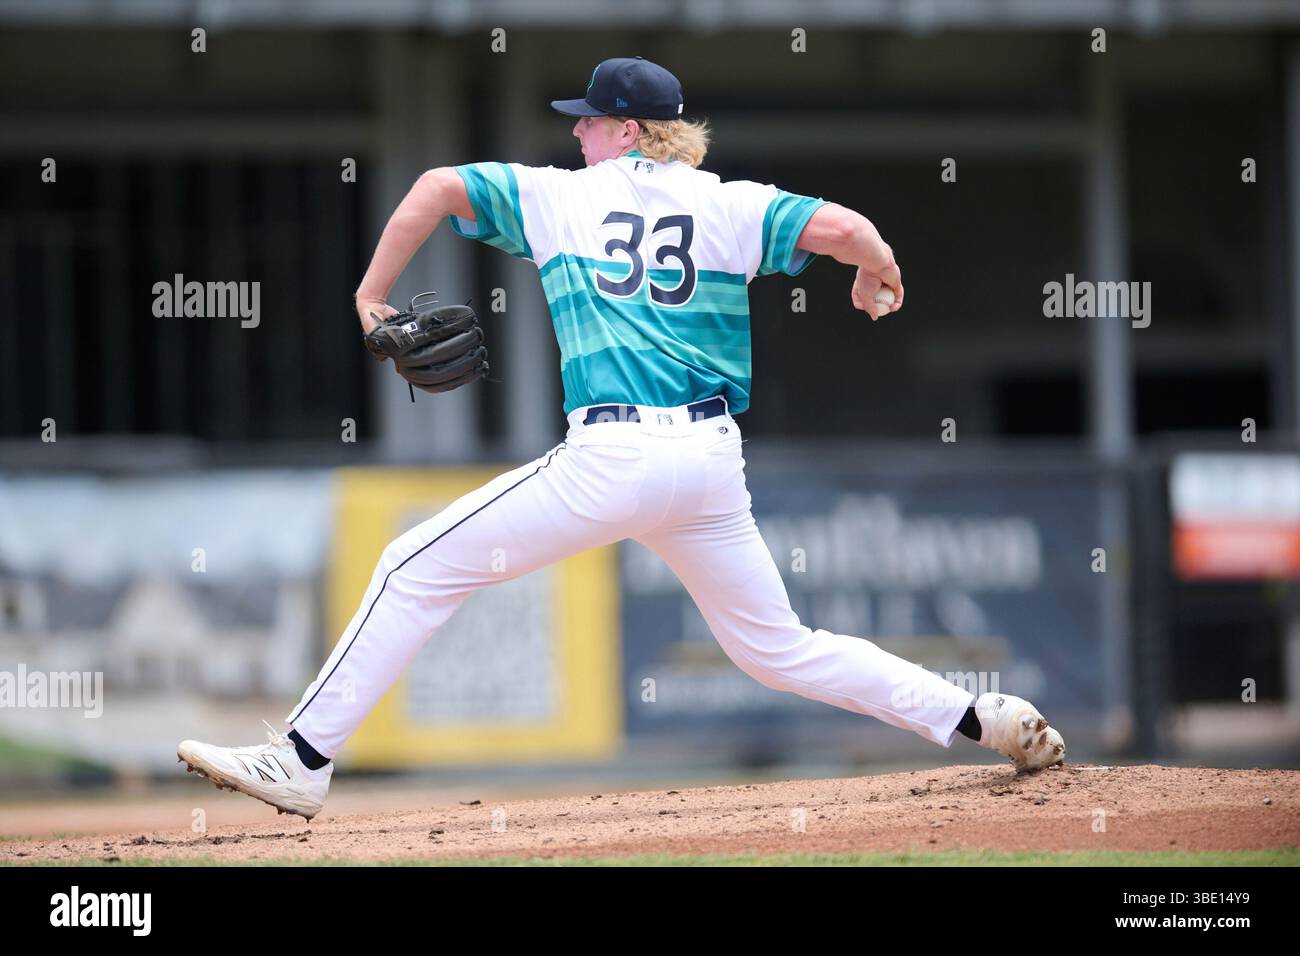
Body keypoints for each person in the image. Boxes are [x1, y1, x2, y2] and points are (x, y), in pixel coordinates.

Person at [178, 56, 1064, 820]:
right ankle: (985, 718)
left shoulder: (564, 199)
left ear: (632, 130)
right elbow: (846, 229)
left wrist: (373, 299)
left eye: (592, 122)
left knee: (413, 565)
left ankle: (299, 759)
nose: (579, 136)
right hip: (710, 465)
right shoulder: (727, 204)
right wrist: (877, 274)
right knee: (778, 648)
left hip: (613, 457)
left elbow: (436, 188)